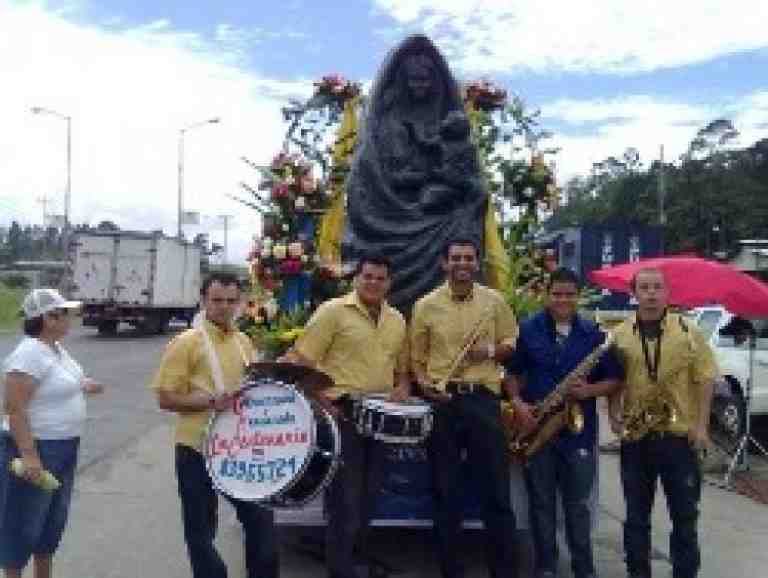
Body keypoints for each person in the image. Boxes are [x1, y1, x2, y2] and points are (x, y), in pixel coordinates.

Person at [282, 252, 409, 578]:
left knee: (369, 495)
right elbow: (301, 360)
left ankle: (356, 560)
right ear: (356, 279)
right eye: (368, 276)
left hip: (381, 415)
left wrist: (403, 386)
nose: (374, 283)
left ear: (389, 283)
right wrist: (322, 400)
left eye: (380, 278)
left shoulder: (396, 319)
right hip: (342, 413)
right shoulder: (333, 312)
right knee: (344, 500)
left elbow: (402, 370)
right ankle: (340, 570)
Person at [151, 272, 279, 578]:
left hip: (241, 449)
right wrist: (209, 402)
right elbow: (165, 398)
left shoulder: (243, 341)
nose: (224, 307)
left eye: (231, 301)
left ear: (241, 303)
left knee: (261, 520)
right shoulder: (186, 343)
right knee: (200, 529)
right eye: (217, 300)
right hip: (196, 448)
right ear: (204, 301)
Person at [346, 34, 487, 311]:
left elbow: (464, 171)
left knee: (472, 202)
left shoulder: (448, 122)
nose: (419, 87)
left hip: (440, 204)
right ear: (402, 80)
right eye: (413, 80)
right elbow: (376, 168)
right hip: (392, 203)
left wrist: (456, 180)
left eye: (425, 80)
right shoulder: (389, 120)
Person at [410, 238, 518, 578]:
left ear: (477, 263)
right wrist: (427, 386)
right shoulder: (425, 305)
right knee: (445, 491)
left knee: (496, 492)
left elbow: (510, 343)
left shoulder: (494, 302)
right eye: (455, 258)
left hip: (484, 399)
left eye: (468, 258)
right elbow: (416, 359)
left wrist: (488, 352)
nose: (462, 264)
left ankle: (503, 571)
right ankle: (450, 570)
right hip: (443, 402)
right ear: (444, 263)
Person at [505, 268, 622, 578]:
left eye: (569, 294)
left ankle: (583, 568)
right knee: (541, 504)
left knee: (578, 506)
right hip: (538, 428)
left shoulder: (594, 334)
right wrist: (518, 404)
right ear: (548, 294)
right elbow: (512, 375)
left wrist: (589, 390)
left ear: (578, 296)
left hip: (578, 433)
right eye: (557, 294)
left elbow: (613, 379)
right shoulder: (528, 329)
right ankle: (546, 566)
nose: (563, 300)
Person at [609, 267, 717, 578]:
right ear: (634, 294)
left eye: (657, 287)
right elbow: (614, 378)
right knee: (635, 518)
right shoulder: (620, 334)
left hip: (678, 438)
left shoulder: (688, 331)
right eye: (644, 287)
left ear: (667, 292)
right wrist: (614, 411)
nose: (652, 293)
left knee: (684, 516)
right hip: (636, 438)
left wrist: (701, 427)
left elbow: (705, 379)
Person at [1, 288, 104, 578]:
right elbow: (14, 408)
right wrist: (29, 455)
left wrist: (84, 384)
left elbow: (65, 378)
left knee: (50, 523)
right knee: (22, 523)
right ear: (49, 318)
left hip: (63, 447)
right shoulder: (29, 353)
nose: (71, 318)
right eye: (66, 313)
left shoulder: (54, 349)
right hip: (38, 449)